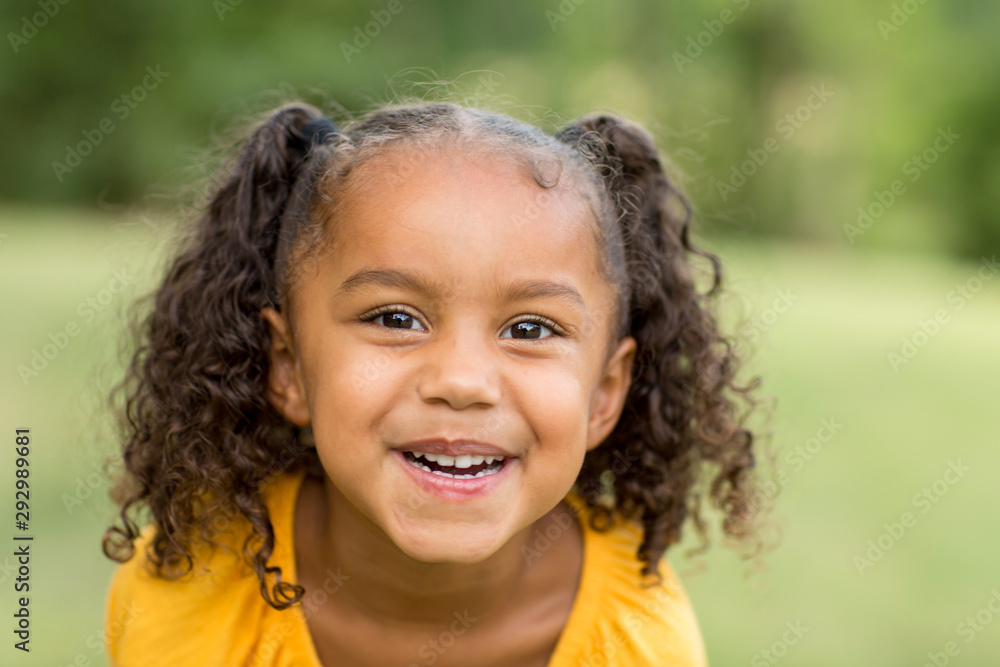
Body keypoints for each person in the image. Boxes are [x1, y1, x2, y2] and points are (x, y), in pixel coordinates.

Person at [102, 98, 764, 666]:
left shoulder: (639, 640)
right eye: (395, 317)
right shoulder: (188, 597)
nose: (463, 380)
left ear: (604, 393)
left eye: (531, 328)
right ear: (288, 365)